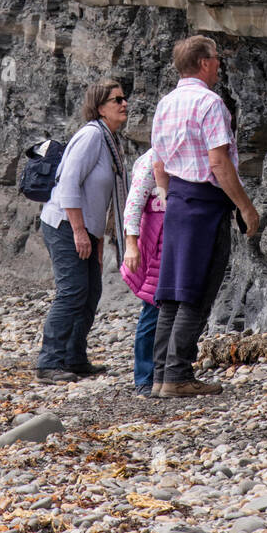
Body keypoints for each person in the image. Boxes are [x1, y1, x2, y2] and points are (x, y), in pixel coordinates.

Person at [150, 35, 259, 398]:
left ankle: (160, 376)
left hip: (178, 200)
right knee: (195, 292)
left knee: (172, 293)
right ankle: (178, 376)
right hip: (205, 203)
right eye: (215, 58)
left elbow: (159, 164)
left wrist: (170, 196)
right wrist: (245, 206)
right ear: (202, 63)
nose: (219, 64)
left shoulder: (166, 103)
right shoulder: (210, 103)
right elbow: (218, 162)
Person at [36, 79, 129, 384]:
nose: (124, 104)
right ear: (101, 108)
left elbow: (100, 199)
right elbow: (68, 186)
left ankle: (74, 359)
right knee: (73, 291)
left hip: (85, 228)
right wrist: (79, 231)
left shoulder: (110, 141)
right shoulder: (91, 136)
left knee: (91, 292)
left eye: (123, 98)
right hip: (64, 224)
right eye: (117, 100)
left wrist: (98, 240)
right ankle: (49, 363)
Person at [120, 147, 166, 395]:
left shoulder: (181, 154)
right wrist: (131, 246)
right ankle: (145, 379)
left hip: (168, 241)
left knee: (164, 309)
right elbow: (134, 203)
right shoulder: (152, 158)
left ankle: (162, 374)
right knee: (153, 308)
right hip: (154, 243)